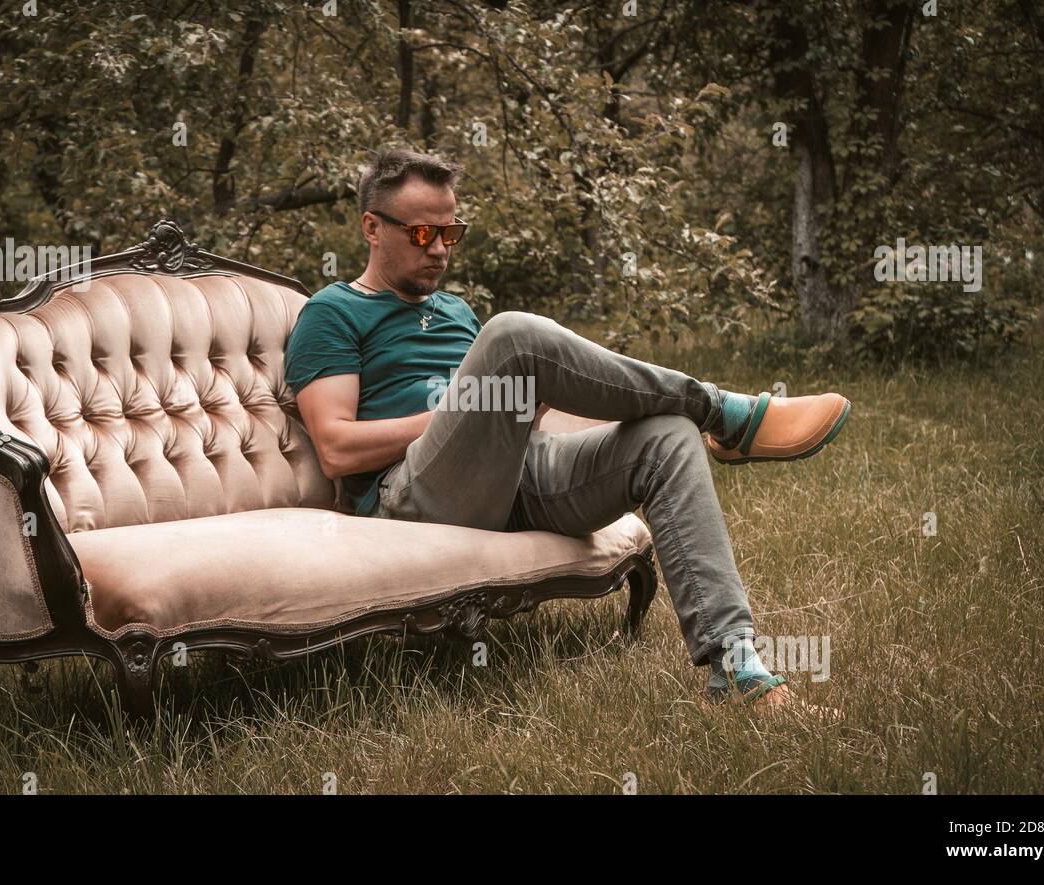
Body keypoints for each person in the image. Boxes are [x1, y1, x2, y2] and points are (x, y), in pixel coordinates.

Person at [284, 148, 849, 714]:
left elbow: (508, 415)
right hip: (411, 497)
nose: (438, 249)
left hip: (513, 475)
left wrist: (513, 409)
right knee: (512, 335)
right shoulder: (332, 311)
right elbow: (335, 449)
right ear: (372, 228)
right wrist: (465, 412)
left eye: (451, 232)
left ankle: (737, 671)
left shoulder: (454, 310)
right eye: (422, 232)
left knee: (668, 436)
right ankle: (724, 411)